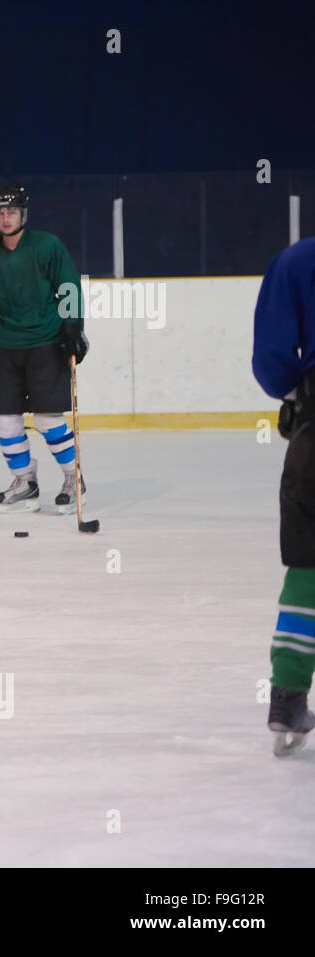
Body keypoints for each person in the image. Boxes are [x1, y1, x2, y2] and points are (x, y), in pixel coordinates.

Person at [0, 184, 89, 513]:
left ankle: (73, 479)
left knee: (47, 420)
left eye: (11, 211)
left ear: (23, 214)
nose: (5, 218)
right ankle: (25, 483)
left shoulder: (47, 246)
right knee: (5, 420)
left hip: (45, 343)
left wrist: (73, 325)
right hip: (6, 345)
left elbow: (68, 285)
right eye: (0, 212)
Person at [251, 237, 315, 755]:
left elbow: (272, 355)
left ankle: (288, 698)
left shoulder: (298, 260)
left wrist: (297, 395)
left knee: (308, 568)